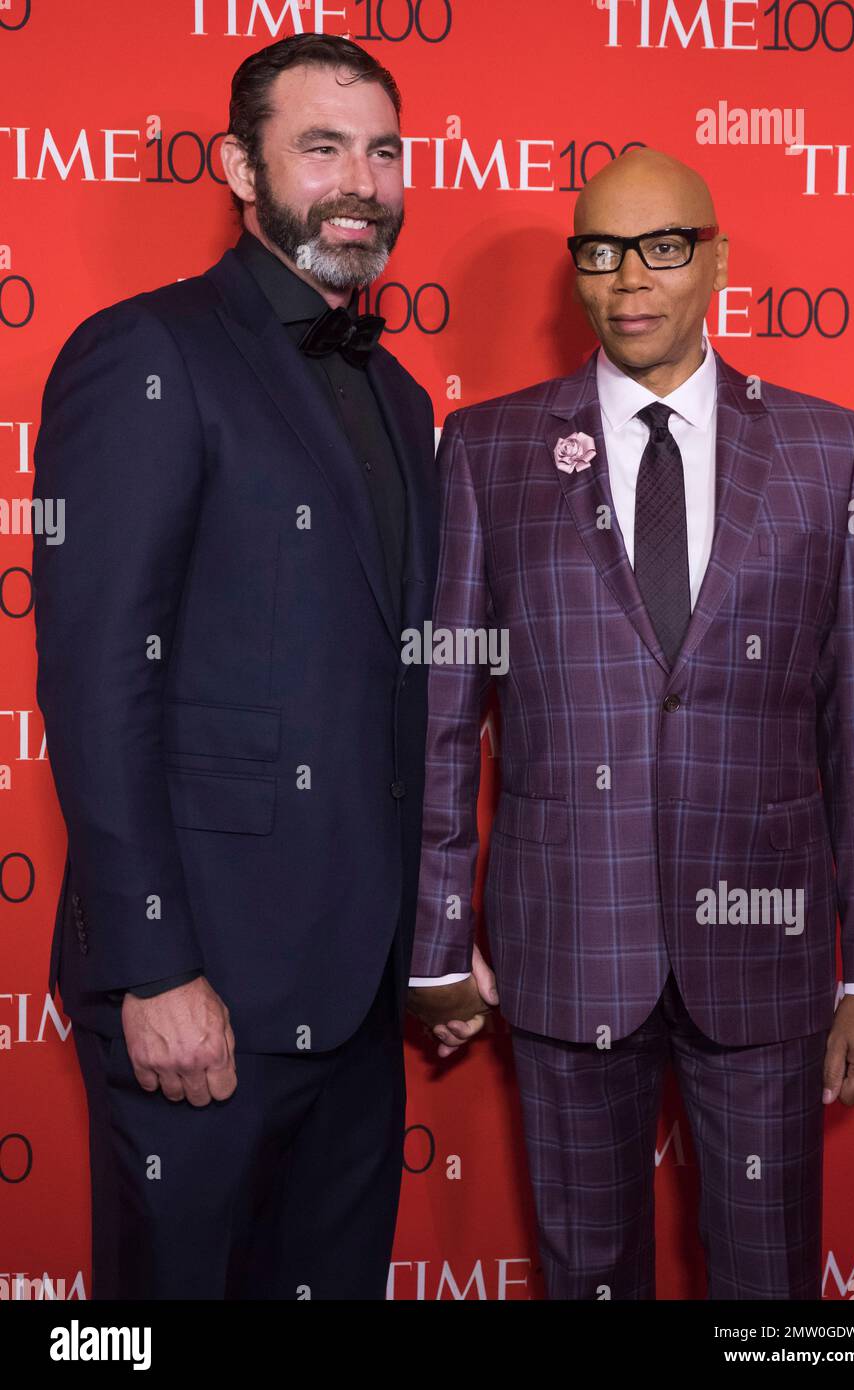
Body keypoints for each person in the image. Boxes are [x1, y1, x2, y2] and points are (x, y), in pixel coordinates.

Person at [407, 147, 854, 1300]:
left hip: (766, 952)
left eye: (663, 247)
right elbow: (444, 719)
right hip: (568, 943)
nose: (629, 279)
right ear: (576, 272)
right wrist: (437, 935)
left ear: (718, 258)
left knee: (770, 1282)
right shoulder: (489, 452)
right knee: (587, 1274)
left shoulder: (826, 448)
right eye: (599, 252)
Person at [32, 33, 438, 1300]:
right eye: (322, 147)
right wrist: (156, 968)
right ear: (241, 169)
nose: (359, 181)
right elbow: (99, 680)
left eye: (381, 149)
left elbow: (399, 694)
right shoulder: (145, 355)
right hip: (199, 983)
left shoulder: (403, 398)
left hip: (359, 989)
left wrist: (434, 934)